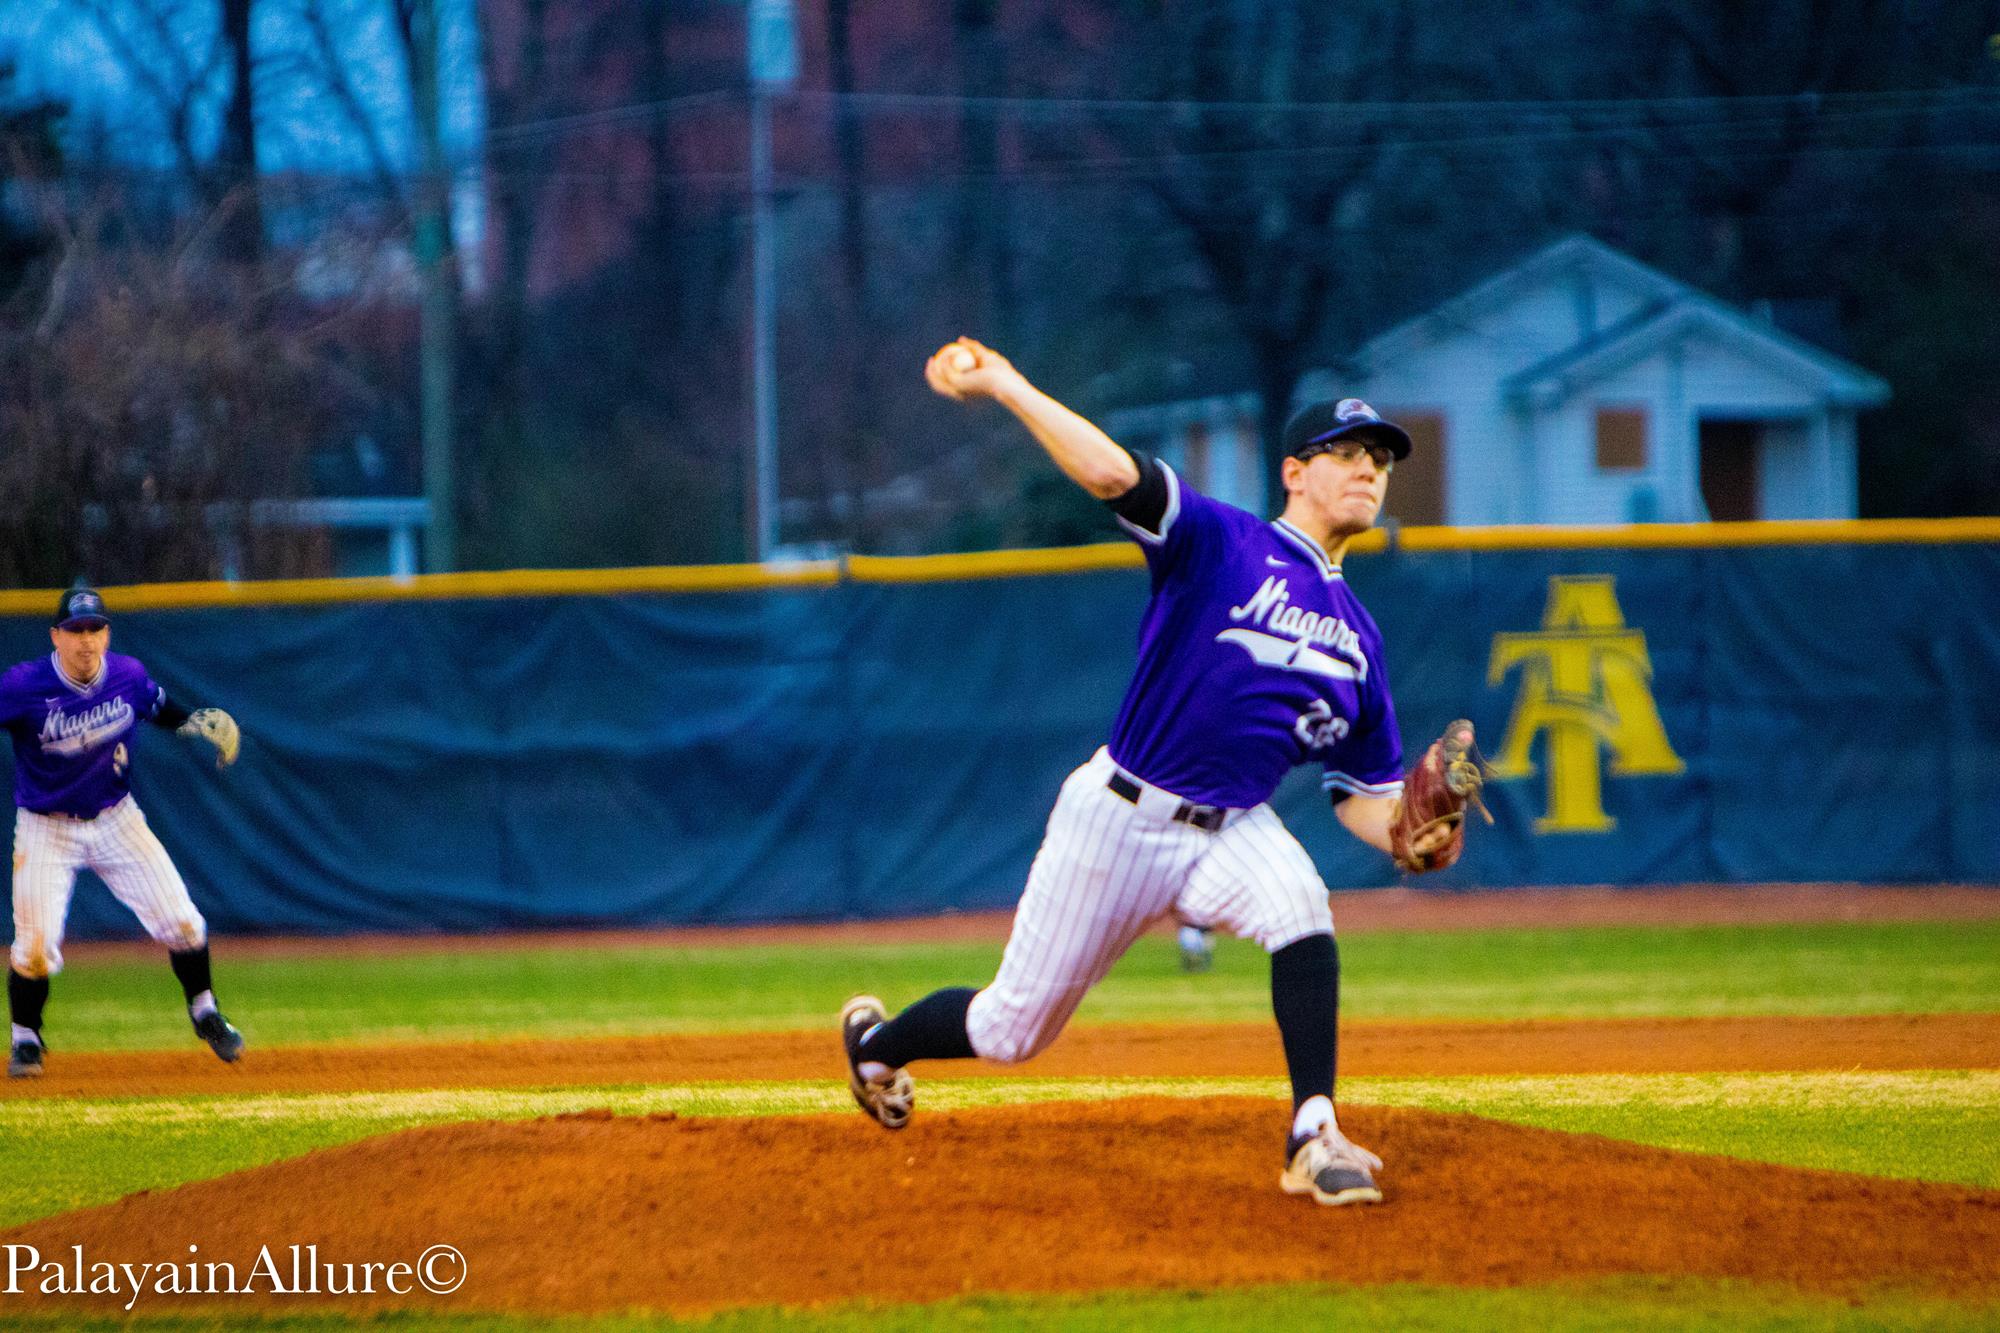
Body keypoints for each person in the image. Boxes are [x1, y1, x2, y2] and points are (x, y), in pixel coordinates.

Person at [840, 338, 1474, 1207]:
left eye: (1381, 460)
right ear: (1294, 472)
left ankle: (1311, 1131)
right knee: (1009, 1028)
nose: (1370, 470)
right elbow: (1112, 474)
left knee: (1301, 905)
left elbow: (1362, 797)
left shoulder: (1360, 636)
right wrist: (1008, 384)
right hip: (1120, 815)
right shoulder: (1222, 542)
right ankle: (876, 1045)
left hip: (1234, 825)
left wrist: (1414, 835)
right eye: (1349, 454)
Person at [3, 587, 246, 1078]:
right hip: (46, 828)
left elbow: (157, 707)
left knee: (183, 923)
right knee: (33, 948)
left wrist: (196, 722)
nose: (86, 642)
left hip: (117, 819)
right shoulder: (24, 686)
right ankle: (26, 1037)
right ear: (56, 636)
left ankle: (205, 1010)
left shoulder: (127, 676)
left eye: (95, 630)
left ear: (107, 634)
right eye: (75, 631)